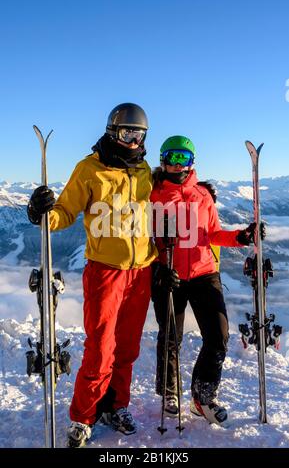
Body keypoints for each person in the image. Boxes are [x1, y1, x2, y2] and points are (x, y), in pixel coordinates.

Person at [27, 103, 158, 447]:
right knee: (101, 348)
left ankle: (116, 405)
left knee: (127, 348)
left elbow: (171, 197)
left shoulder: (144, 171)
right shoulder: (89, 168)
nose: (132, 140)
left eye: (139, 134)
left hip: (141, 271)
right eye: (127, 133)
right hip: (105, 272)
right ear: (113, 132)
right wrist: (43, 214)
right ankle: (84, 415)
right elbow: (66, 211)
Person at [150, 135, 264, 427]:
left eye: (183, 159)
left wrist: (240, 237)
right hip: (169, 274)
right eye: (172, 158)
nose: (178, 165)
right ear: (162, 160)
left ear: (192, 162)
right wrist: (158, 265)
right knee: (171, 336)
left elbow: (213, 233)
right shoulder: (152, 196)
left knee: (218, 336)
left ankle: (203, 396)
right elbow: (142, 238)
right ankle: (169, 394)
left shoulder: (203, 195)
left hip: (204, 273)